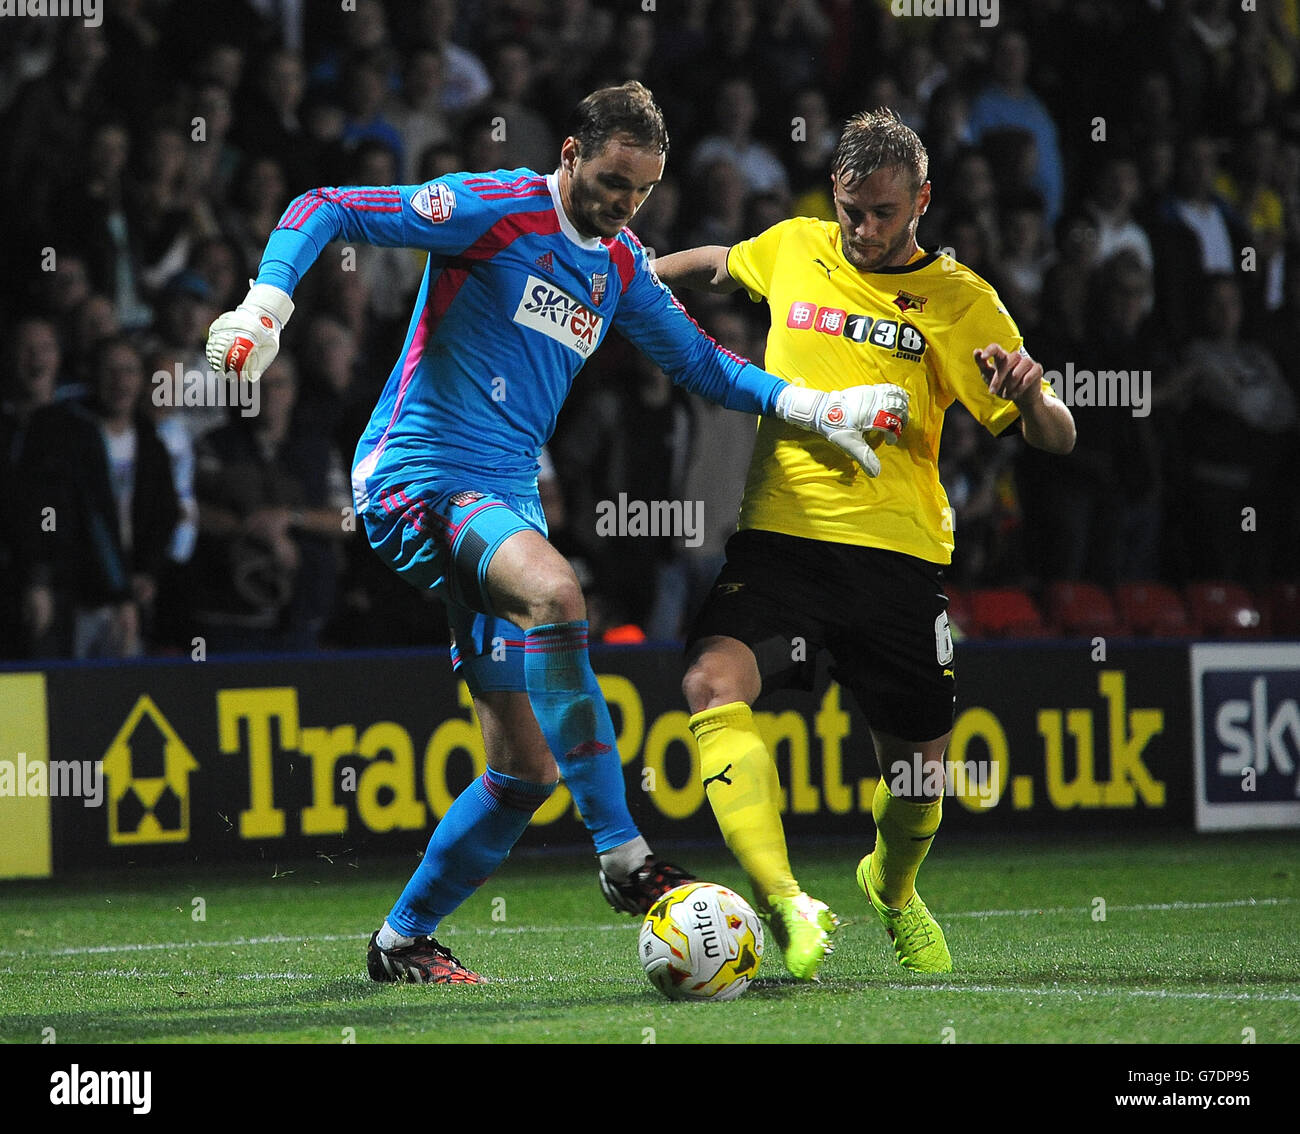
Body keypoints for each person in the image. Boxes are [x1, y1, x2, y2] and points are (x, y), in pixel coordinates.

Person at [205, 81, 907, 984]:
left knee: (525, 771)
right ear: (571, 153)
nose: (624, 205)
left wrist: (815, 404)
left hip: (504, 501)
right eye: (613, 181)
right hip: (418, 476)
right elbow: (324, 205)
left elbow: (704, 362)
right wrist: (266, 305)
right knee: (558, 592)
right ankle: (621, 852)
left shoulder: (615, 266)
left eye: (642, 193)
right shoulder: (491, 208)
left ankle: (402, 942)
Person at [652, 108, 1075, 981]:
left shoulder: (962, 301)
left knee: (919, 785)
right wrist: (625, 278)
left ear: (922, 199)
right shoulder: (797, 244)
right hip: (784, 538)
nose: (863, 230)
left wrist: (1034, 396)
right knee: (708, 680)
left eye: (882, 212)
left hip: (899, 558)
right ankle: (786, 902)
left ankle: (890, 887)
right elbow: (718, 265)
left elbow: (1057, 438)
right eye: (850, 209)